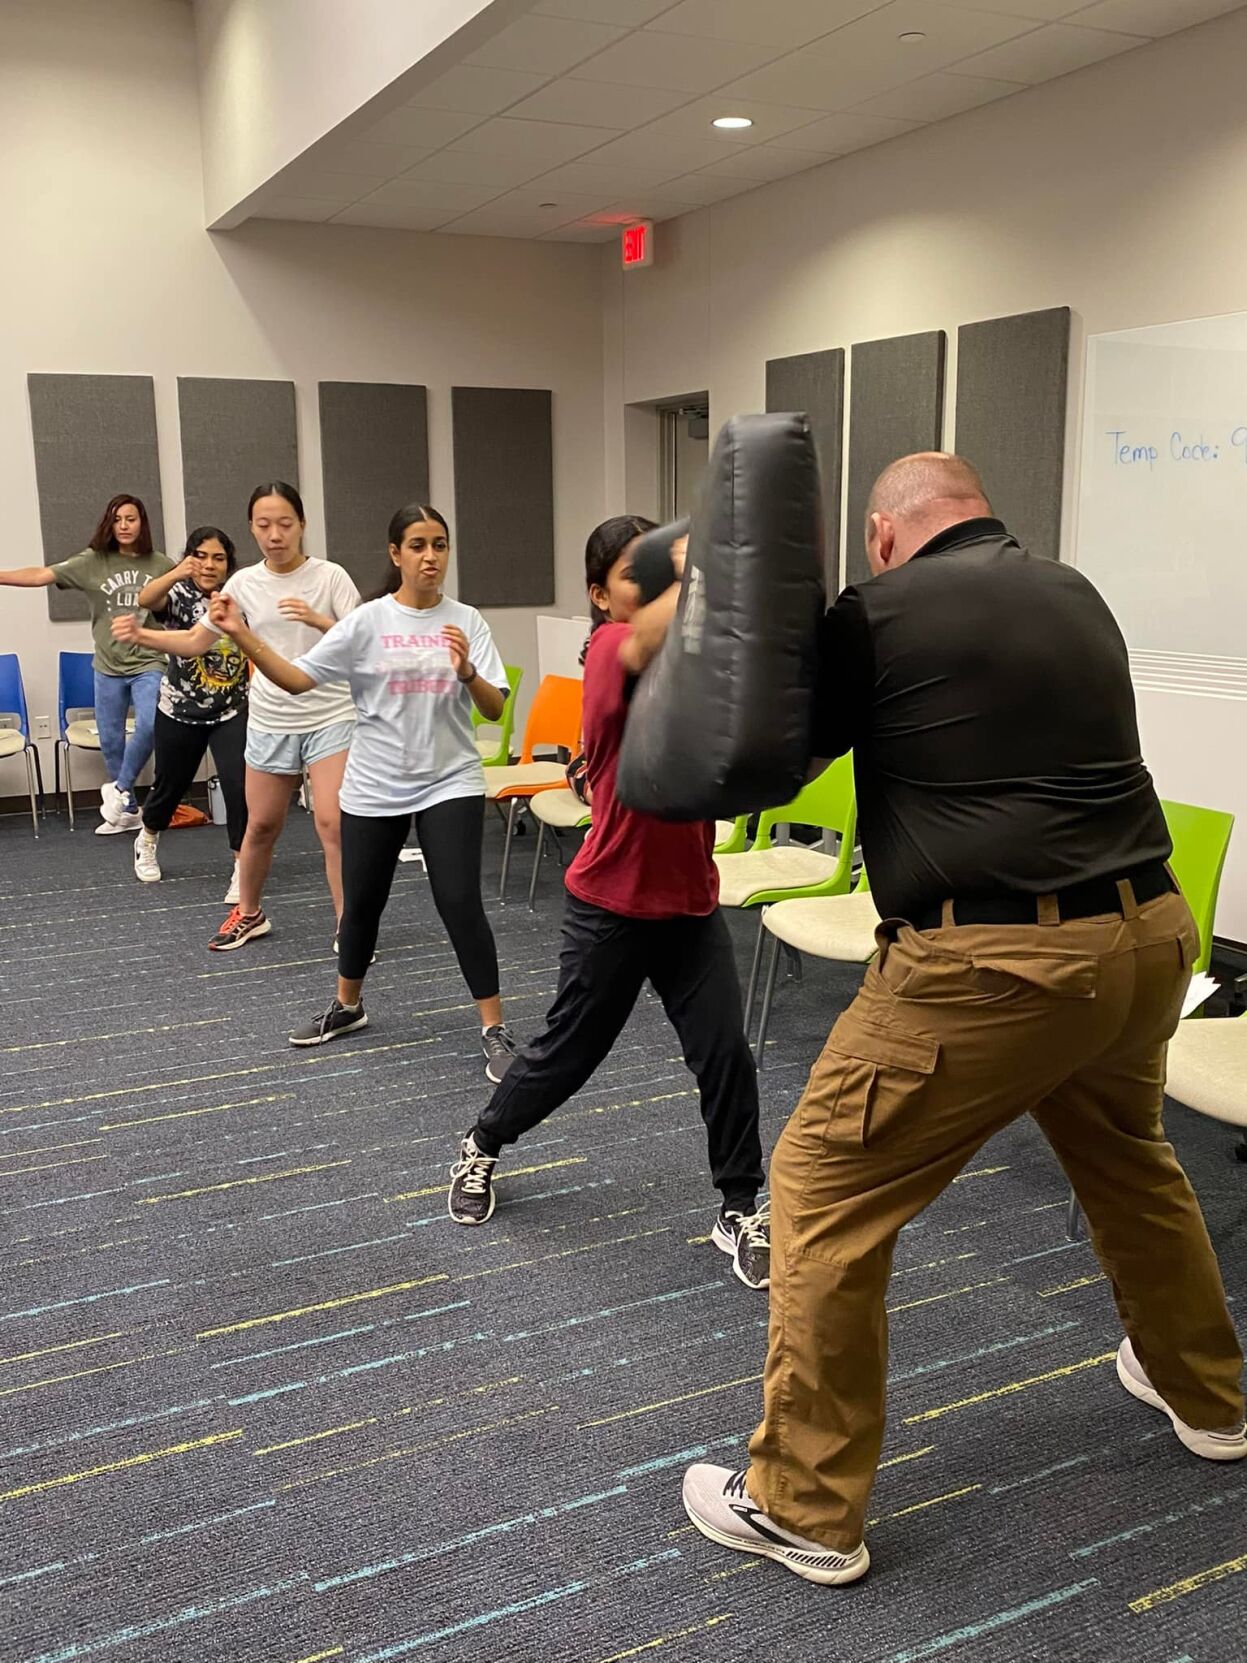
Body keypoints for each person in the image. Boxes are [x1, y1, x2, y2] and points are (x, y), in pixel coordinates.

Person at [680, 453, 1246, 1584]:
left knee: (819, 1192)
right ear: (982, 515)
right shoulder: (1072, 589)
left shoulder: (876, 611)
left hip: (993, 964)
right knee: (1131, 1163)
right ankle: (1213, 1398)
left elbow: (763, 769)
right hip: (1145, 938)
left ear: (884, 535)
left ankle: (801, 1502)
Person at [445, 515, 771, 1291]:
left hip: (690, 903)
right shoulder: (602, 656)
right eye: (642, 572)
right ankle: (482, 1142)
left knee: (724, 1054)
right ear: (600, 596)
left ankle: (738, 1203)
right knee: (566, 1054)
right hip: (612, 905)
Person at [209, 504, 520, 1082]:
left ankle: (494, 1028)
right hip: (375, 785)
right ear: (395, 554)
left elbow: (496, 709)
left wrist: (469, 674)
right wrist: (240, 633)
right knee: (363, 906)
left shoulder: (467, 620)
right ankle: (348, 1006)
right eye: (419, 545)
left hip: (450, 779)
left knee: (459, 902)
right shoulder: (367, 622)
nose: (432, 556)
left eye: (441, 545)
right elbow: (298, 680)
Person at [114, 482, 360, 951]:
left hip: (331, 715)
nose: (275, 535)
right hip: (270, 718)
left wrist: (318, 621)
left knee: (333, 821)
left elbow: (363, 640)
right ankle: (249, 913)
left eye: (285, 523)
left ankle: (350, 926)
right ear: (252, 528)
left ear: (302, 524)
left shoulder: (331, 578)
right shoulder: (243, 583)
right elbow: (194, 641)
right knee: (260, 825)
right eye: (264, 525)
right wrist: (143, 637)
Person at [0, 494, 172, 832]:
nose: (124, 525)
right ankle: (128, 812)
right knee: (110, 741)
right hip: (107, 666)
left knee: (151, 725)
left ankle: (119, 789)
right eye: (118, 519)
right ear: (109, 523)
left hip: (148, 661)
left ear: (143, 523)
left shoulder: (161, 565)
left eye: (131, 518)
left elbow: (187, 596)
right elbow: (42, 575)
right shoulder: (92, 561)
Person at [111, 527, 248, 894]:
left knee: (240, 788)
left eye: (218, 558)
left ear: (228, 564)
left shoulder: (240, 595)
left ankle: (241, 865)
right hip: (180, 709)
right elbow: (145, 598)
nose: (209, 564)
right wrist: (177, 572)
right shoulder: (177, 594)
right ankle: (148, 839)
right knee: (170, 787)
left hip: (231, 709)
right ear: (190, 558)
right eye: (201, 556)